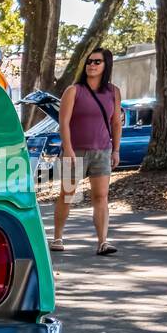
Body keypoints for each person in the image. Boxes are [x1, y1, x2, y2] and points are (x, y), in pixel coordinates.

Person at [51, 47, 122, 256]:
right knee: (67, 195)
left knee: (101, 196)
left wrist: (116, 150)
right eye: (89, 61)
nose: (92, 65)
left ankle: (103, 242)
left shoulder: (113, 92)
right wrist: (69, 149)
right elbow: (63, 122)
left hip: (102, 151)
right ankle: (57, 237)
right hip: (75, 152)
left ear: (106, 65)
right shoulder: (74, 90)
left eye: (97, 62)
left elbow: (116, 123)